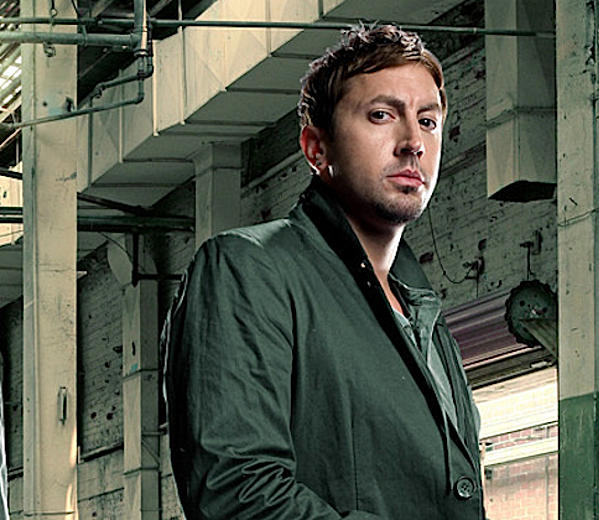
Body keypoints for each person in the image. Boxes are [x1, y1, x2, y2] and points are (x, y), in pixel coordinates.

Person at [162, 24, 484, 520]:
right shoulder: (249, 270)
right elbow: (237, 491)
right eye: (382, 115)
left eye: (428, 121)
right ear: (317, 149)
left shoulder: (422, 312)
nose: (413, 143)